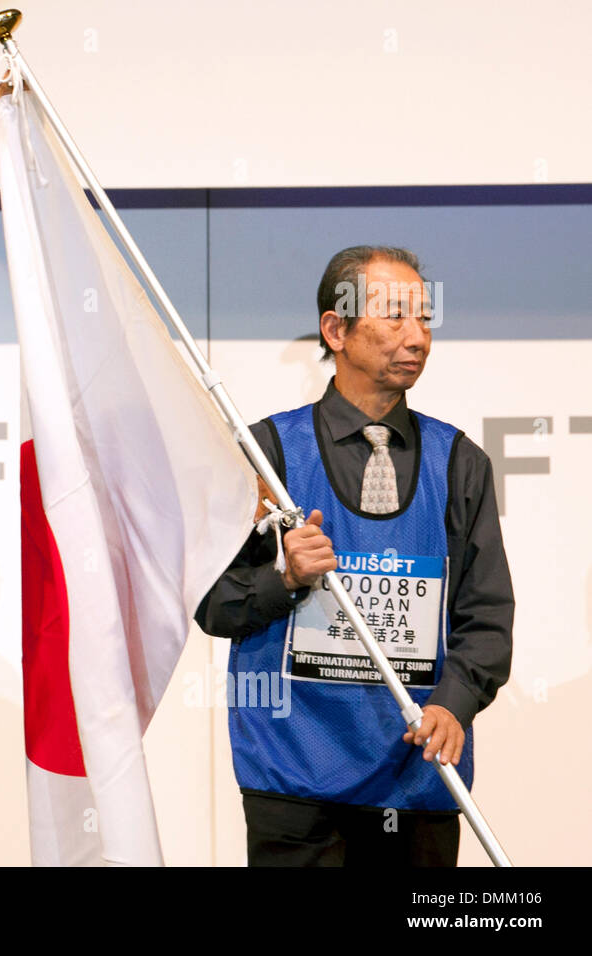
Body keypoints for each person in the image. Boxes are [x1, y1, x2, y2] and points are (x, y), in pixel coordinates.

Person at [196, 245, 513, 866]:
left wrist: (454, 700)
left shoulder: (460, 462)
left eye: (424, 318)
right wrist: (284, 575)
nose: (417, 337)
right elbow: (213, 605)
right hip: (292, 780)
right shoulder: (267, 456)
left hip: (417, 778)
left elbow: (487, 615)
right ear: (336, 329)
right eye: (394, 316)